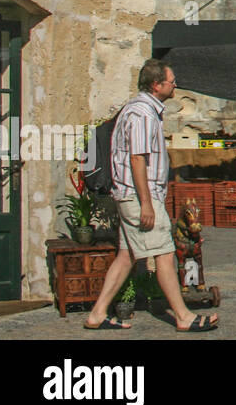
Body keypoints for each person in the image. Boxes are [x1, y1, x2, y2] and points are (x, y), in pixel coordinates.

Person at [85, 60, 219, 332]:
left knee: (126, 256)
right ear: (157, 85)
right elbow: (137, 159)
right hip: (139, 197)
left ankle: (97, 314)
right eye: (172, 81)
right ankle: (183, 316)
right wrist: (146, 203)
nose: (175, 85)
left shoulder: (141, 110)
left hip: (132, 195)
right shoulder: (143, 114)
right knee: (165, 254)